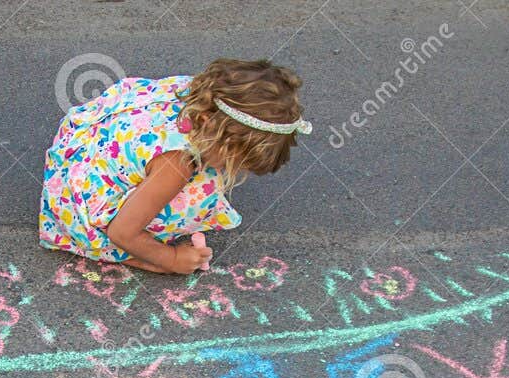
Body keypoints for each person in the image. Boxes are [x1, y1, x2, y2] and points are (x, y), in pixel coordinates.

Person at [39, 58, 309, 274]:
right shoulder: (177, 164)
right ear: (208, 124)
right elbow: (122, 232)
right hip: (74, 205)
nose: (234, 170)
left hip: (79, 150)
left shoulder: (200, 96)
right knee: (196, 194)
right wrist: (171, 259)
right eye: (234, 160)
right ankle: (125, 257)